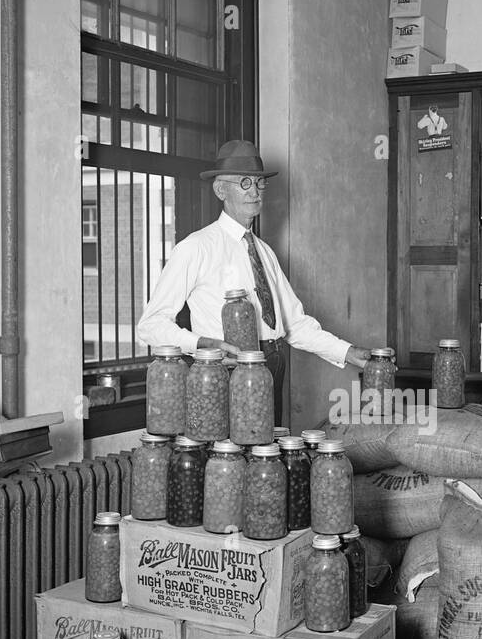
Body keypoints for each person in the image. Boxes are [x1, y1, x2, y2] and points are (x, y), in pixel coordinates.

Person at [136, 139, 370, 425]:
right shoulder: (196, 247)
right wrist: (202, 344)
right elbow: (151, 326)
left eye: (260, 183)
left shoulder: (264, 252)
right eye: (245, 183)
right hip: (228, 370)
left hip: (272, 364)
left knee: (266, 460)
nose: (256, 192)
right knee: (232, 460)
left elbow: (294, 325)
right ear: (221, 190)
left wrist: (348, 352)